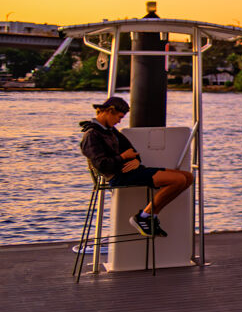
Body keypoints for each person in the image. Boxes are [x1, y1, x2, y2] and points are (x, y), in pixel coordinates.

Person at [78, 96, 192, 237]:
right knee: (178, 180)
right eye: (119, 117)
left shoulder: (110, 130)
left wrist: (136, 160)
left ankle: (151, 217)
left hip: (131, 171)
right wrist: (123, 158)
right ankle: (143, 217)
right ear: (109, 111)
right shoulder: (92, 135)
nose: (119, 121)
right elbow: (102, 165)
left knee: (188, 177)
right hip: (119, 176)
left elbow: (132, 150)